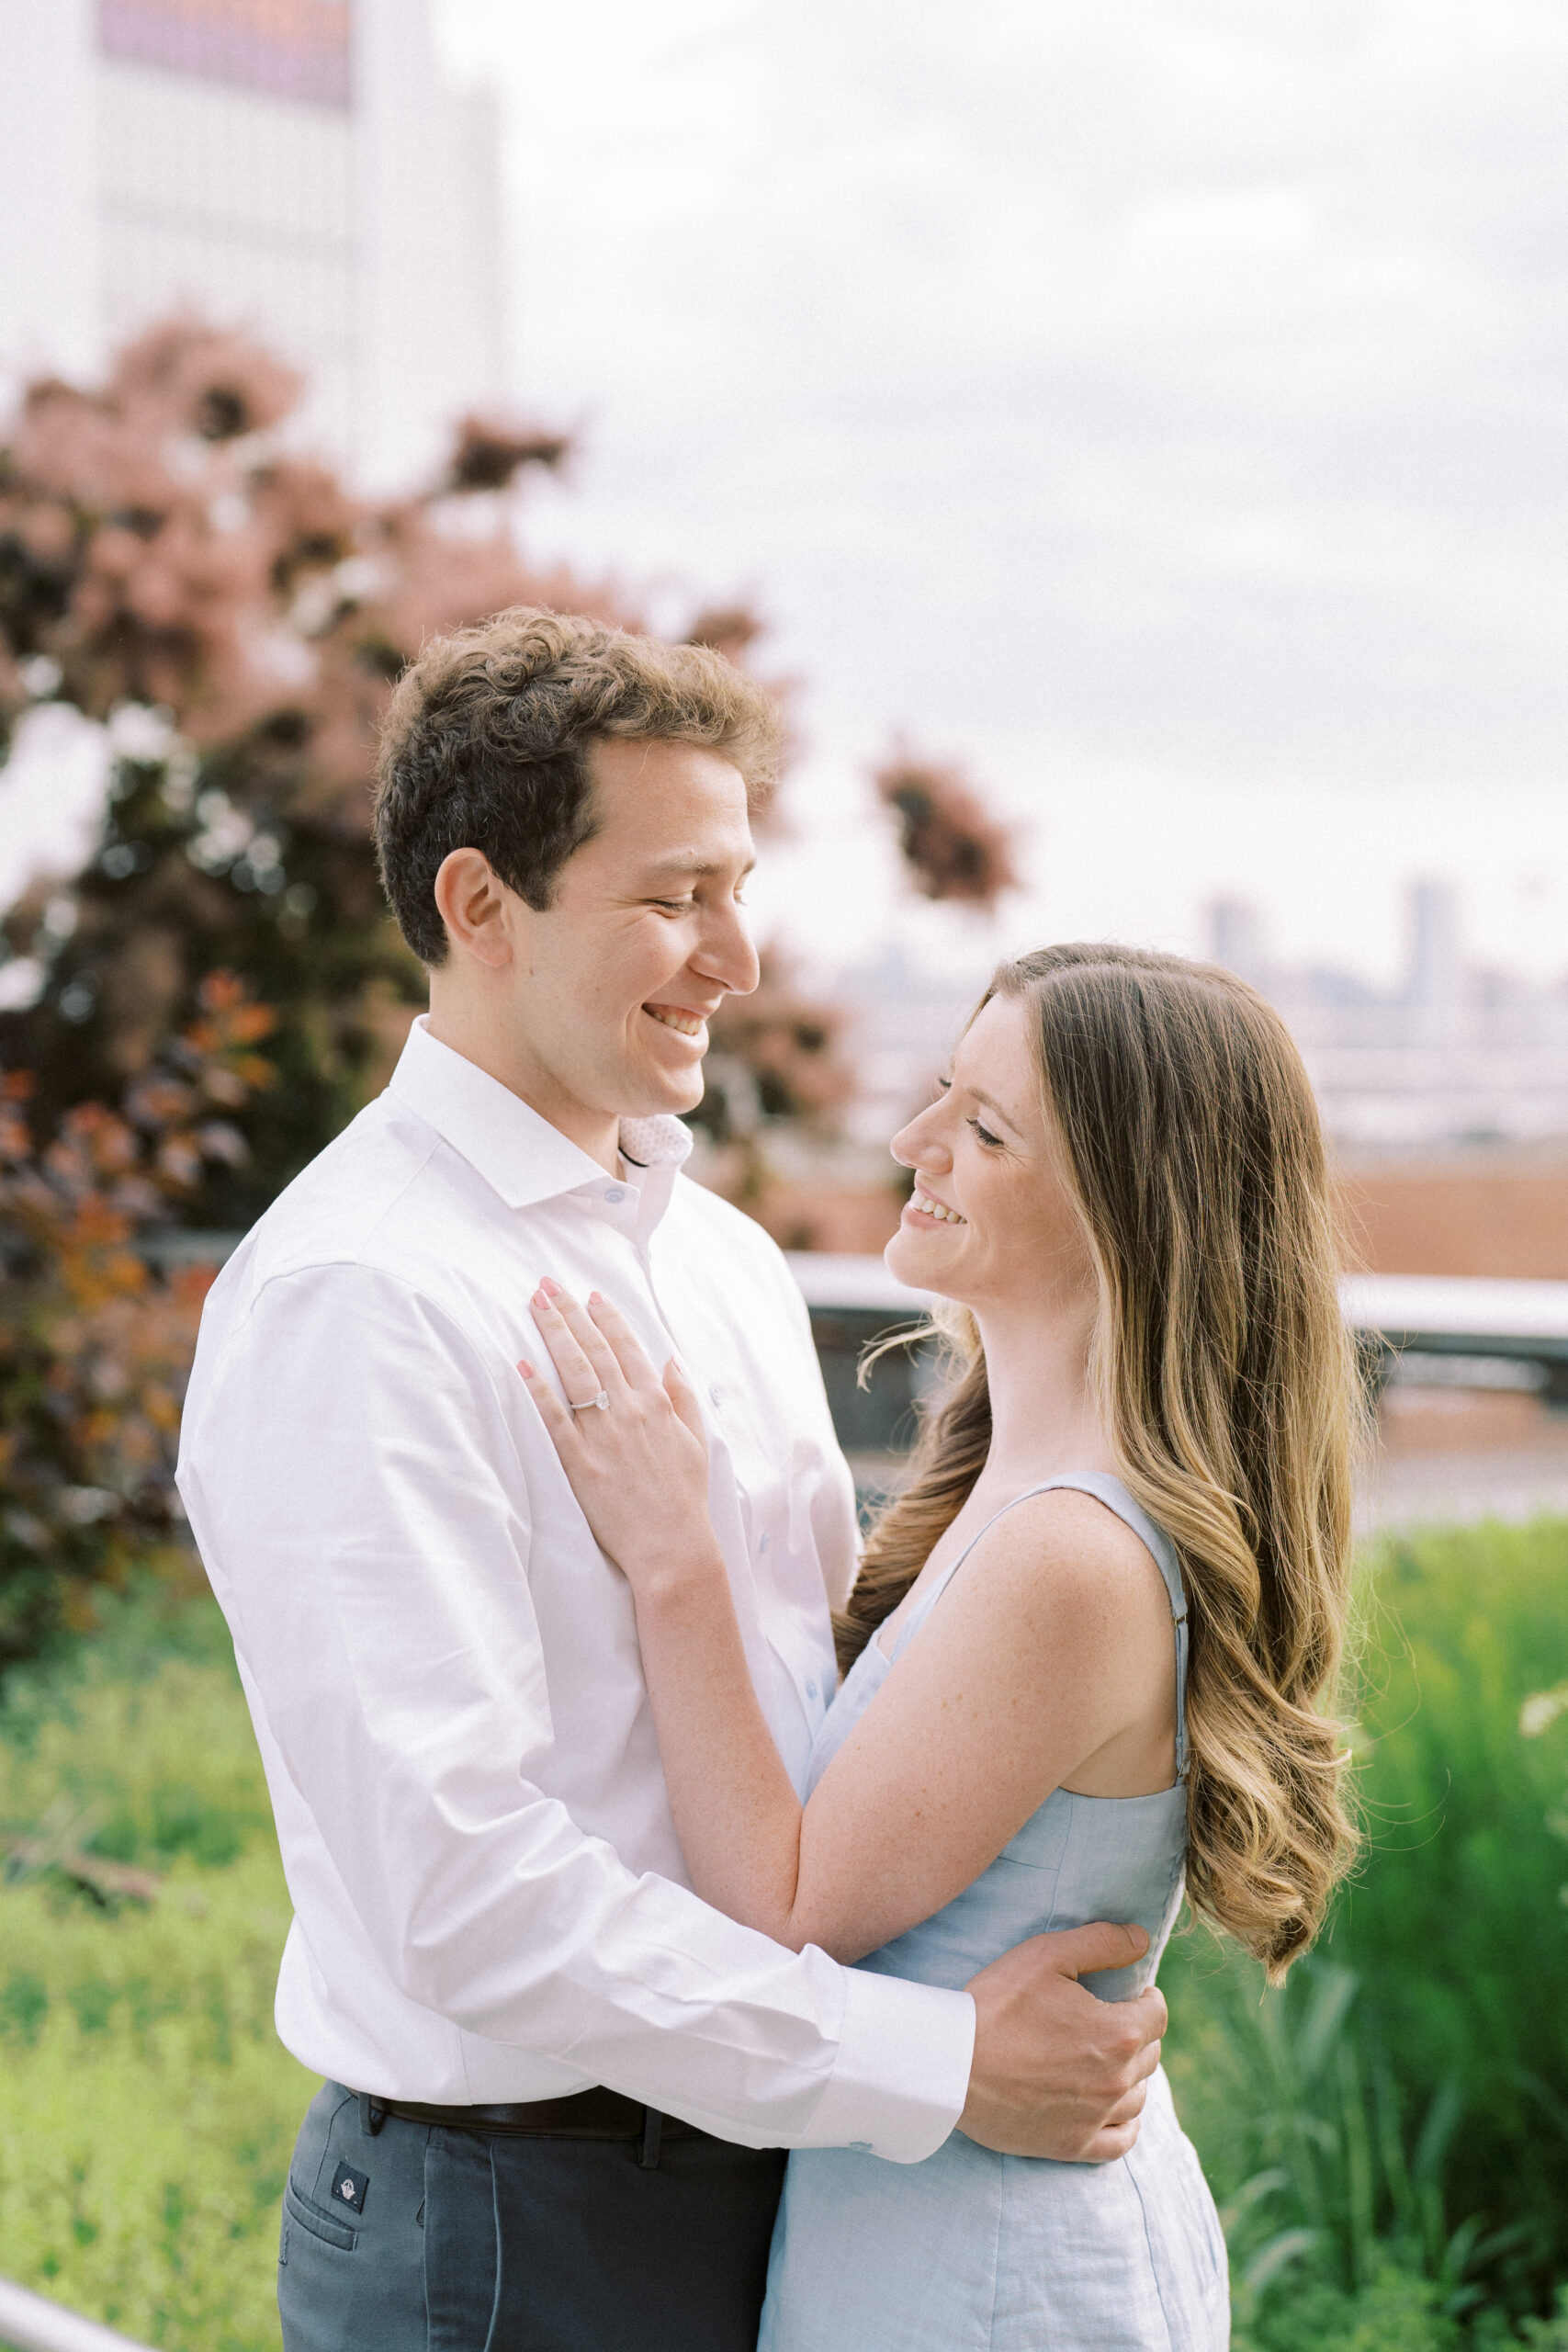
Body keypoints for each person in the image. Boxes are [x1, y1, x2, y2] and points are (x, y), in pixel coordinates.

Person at [175, 610, 1168, 2352]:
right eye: (673, 896)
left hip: (788, 2191)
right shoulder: (360, 1299)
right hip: (514, 2225)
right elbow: (463, 1901)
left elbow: (817, 1739)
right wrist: (933, 2066)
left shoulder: (718, 1262)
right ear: (481, 907)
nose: (739, 958)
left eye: (739, 887)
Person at [520, 940, 1361, 2351]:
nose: (916, 1143)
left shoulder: (1070, 1559)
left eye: (982, 1129)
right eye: (938, 1096)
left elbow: (783, 1908)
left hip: (986, 2277)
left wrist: (674, 1558)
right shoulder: (1013, 1495)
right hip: (928, 2232)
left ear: (1126, 1207)